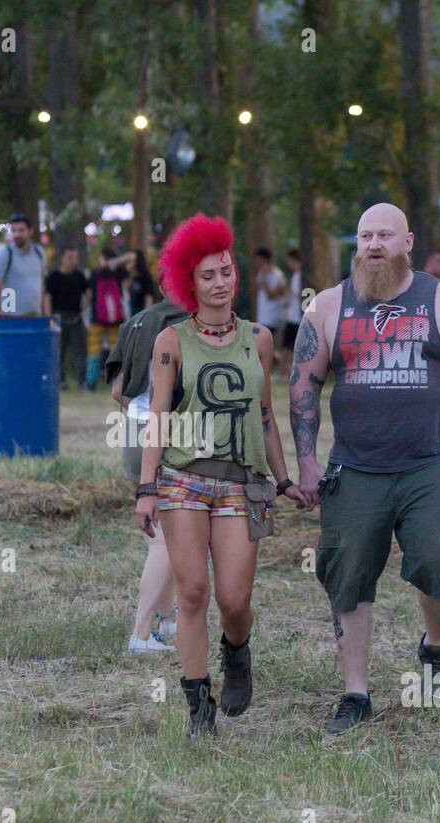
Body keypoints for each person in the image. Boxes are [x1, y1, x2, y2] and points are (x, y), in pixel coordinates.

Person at [289, 203, 440, 735]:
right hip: (353, 467)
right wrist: (306, 460)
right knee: (347, 573)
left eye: (385, 236)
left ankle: (434, 646)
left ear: (408, 242)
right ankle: (355, 693)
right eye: (365, 235)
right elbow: (303, 385)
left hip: (428, 465)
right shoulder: (327, 307)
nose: (373, 244)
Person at [134, 214, 307, 738]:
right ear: (191, 281)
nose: (220, 282)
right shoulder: (172, 341)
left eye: (227, 271)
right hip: (184, 480)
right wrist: (147, 489)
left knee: (234, 601)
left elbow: (265, 414)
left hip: (241, 483)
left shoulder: (259, 339)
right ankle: (198, 709)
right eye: (208, 275)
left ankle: (237, 653)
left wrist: (283, 478)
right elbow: (157, 417)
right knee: (192, 595)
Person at [108, 296, 188, 655]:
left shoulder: (136, 321)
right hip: (169, 431)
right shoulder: (189, 320)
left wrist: (141, 414)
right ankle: (140, 634)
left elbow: (116, 390)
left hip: (132, 427)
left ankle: (168, 620)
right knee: (168, 537)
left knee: (160, 534)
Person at [86, 248, 133, 389]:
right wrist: (116, 263)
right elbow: (131, 257)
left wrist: (113, 263)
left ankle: (91, 383)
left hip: (97, 317)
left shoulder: (96, 273)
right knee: (115, 351)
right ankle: (116, 381)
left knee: (94, 351)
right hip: (114, 319)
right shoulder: (118, 273)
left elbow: (133, 256)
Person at [44, 247, 90, 390]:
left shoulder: (79, 276)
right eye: (70, 257)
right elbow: (47, 297)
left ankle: (81, 381)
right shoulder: (53, 277)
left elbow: (88, 294)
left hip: (76, 318)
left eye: (75, 257)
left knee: (80, 352)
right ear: (62, 258)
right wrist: (49, 317)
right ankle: (60, 381)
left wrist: (87, 309)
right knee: (58, 352)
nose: (73, 261)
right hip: (58, 318)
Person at [0, 213, 45, 317]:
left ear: (30, 231)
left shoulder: (39, 252)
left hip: (34, 315)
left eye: (21, 230)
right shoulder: (6, 252)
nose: (17, 234)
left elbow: (42, 281)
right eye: (14, 231)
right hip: (11, 316)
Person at [252, 248, 289, 377]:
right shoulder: (261, 274)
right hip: (263, 315)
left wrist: (264, 278)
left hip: (273, 315)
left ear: (263, 259)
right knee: (266, 345)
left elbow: (270, 294)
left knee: (265, 345)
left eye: (258, 259)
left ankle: (283, 367)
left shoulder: (276, 274)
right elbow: (257, 287)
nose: (255, 262)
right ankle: (285, 367)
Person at [283, 248, 304, 357]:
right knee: (288, 347)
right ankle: (284, 370)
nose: (288, 263)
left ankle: (282, 372)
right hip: (294, 316)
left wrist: (287, 289)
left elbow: (298, 294)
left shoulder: (299, 276)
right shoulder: (297, 275)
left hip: (296, 318)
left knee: (287, 347)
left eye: (289, 260)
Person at [125, 248, 157, 316]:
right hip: (129, 311)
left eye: (131, 260)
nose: (128, 263)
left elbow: (149, 297)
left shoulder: (145, 277)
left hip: (140, 312)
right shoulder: (126, 275)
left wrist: (145, 315)